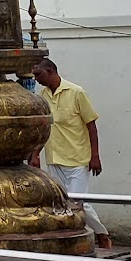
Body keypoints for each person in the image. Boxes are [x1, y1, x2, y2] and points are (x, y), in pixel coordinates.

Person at [30, 56, 112, 250]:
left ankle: (102, 234)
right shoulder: (43, 95)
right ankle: (71, 238)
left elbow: (91, 125)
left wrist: (95, 156)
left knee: (79, 203)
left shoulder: (76, 92)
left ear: (50, 72)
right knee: (61, 202)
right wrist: (35, 154)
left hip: (77, 158)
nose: (36, 79)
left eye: (38, 74)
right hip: (55, 157)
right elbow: (45, 129)